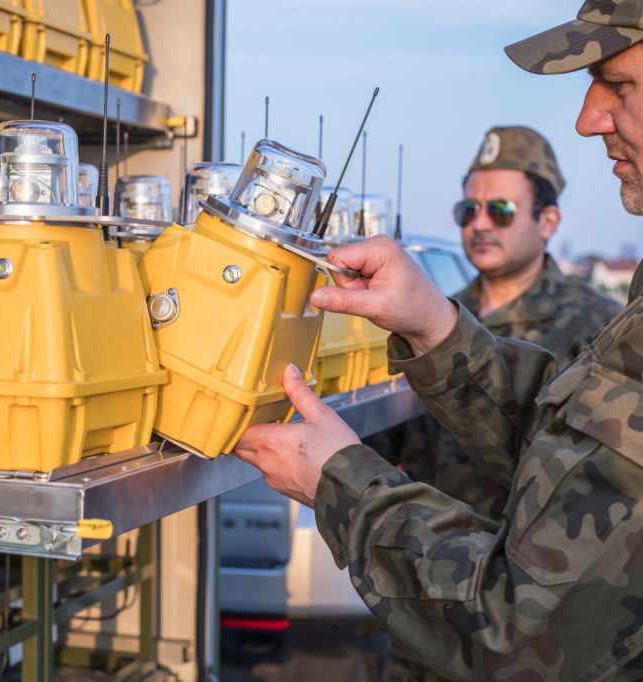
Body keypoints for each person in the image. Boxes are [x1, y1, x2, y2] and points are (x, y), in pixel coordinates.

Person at [233, 2, 643, 679]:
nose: (587, 117)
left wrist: (341, 484)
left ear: (548, 221)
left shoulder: (586, 308)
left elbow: (522, 633)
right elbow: (579, 470)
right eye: (469, 209)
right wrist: (436, 326)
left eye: (619, 84)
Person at [370, 127, 622, 679]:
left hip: (524, 622)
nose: (479, 224)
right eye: (468, 209)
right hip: (423, 600)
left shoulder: (599, 329)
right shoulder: (430, 315)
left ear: (547, 221)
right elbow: (387, 433)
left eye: (501, 210)